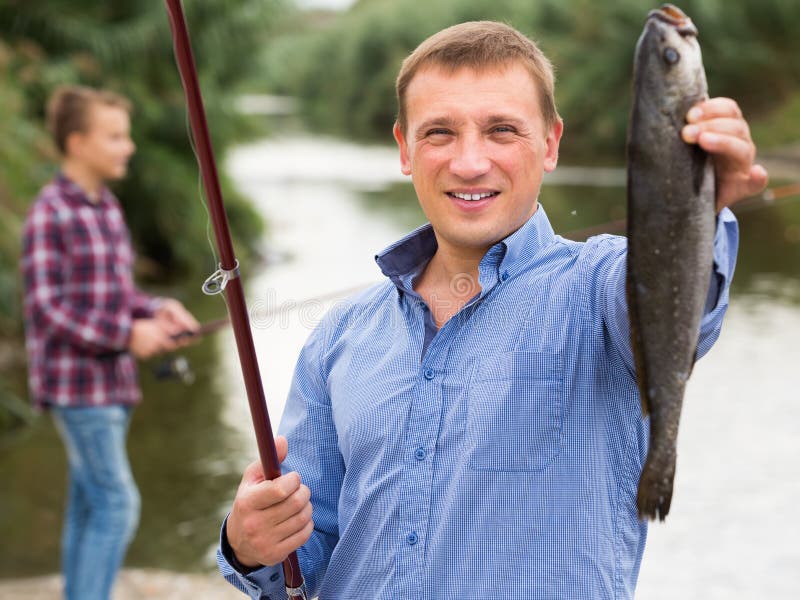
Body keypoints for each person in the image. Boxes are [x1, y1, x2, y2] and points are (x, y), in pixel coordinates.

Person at [217, 21, 768, 599]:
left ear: (551, 143)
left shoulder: (598, 287)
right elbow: (301, 561)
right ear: (405, 148)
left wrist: (694, 208)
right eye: (440, 133)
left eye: (501, 130)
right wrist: (248, 544)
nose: (470, 161)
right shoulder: (340, 337)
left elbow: (674, 304)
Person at [21, 85, 199, 600]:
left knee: (89, 502)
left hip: (113, 387)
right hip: (79, 391)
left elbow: (118, 295)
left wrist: (157, 310)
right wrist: (127, 334)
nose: (129, 146)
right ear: (77, 143)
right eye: (115, 136)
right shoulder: (50, 213)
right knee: (117, 503)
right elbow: (46, 309)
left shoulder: (106, 208)